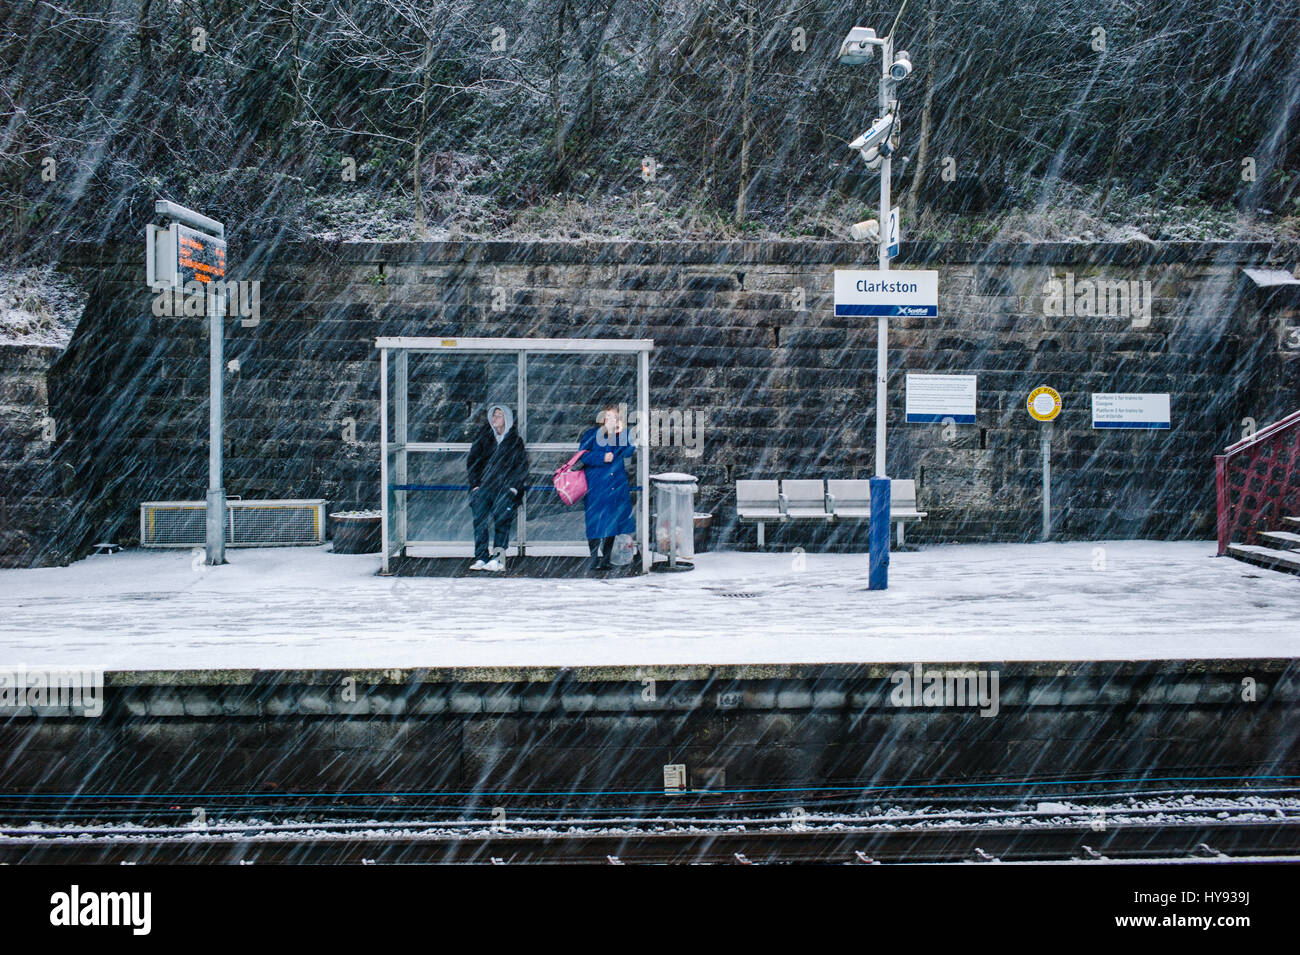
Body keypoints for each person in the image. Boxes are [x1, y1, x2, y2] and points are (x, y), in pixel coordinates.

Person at [467, 403, 527, 572]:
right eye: (493, 415)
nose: (495, 418)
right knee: (480, 523)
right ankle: (481, 557)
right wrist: (475, 486)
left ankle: (498, 558)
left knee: (502, 523)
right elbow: (473, 462)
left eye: (499, 415)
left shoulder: (514, 441)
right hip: (483, 489)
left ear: (506, 419)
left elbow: (520, 467)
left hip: (504, 490)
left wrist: (513, 489)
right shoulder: (483, 438)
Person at [578, 403, 636, 571]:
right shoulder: (591, 434)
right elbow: (582, 456)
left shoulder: (620, 436)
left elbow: (629, 452)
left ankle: (606, 558)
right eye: (609, 416)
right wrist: (602, 457)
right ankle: (594, 557)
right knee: (595, 522)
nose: (612, 420)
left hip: (615, 486)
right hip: (596, 485)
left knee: (612, 522)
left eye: (616, 417)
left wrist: (623, 432)